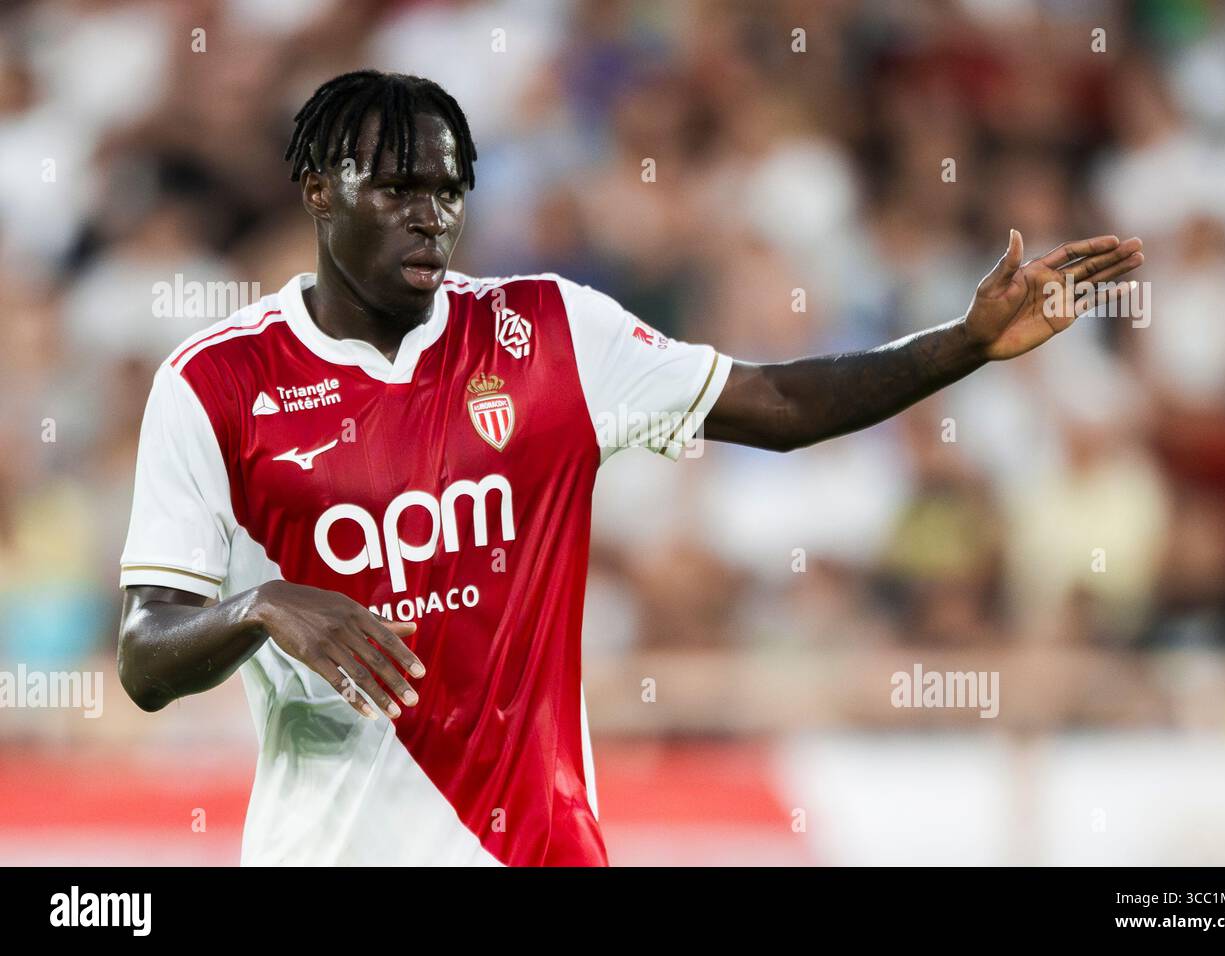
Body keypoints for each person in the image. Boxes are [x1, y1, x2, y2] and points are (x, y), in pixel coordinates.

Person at [117, 70, 1144, 865]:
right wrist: (258, 608)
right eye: (396, 188)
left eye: (447, 189)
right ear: (317, 191)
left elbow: (778, 406)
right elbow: (147, 654)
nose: (430, 214)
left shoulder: (551, 333)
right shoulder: (215, 384)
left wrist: (962, 343)